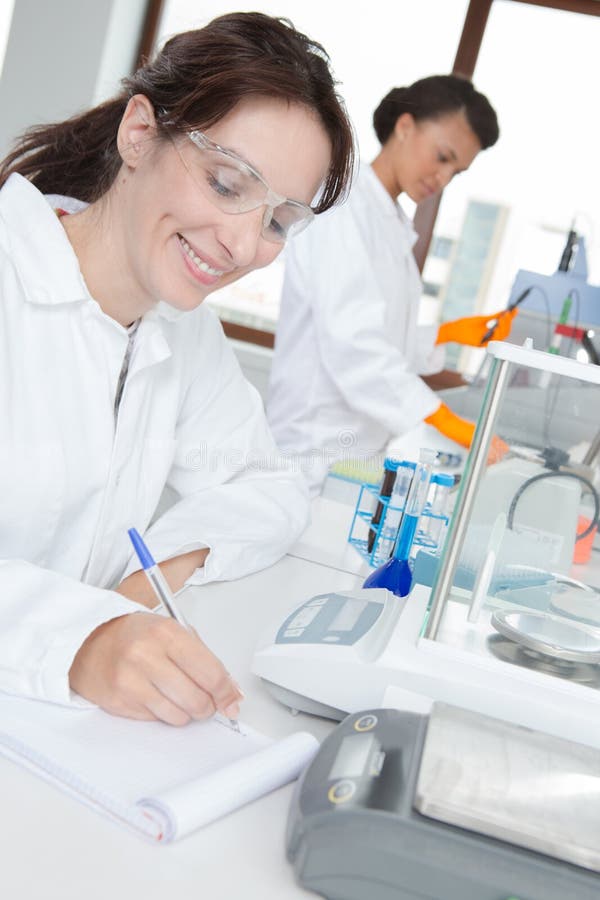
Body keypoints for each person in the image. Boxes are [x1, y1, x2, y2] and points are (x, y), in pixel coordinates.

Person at [0, 13, 354, 725]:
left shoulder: (180, 331)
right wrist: (80, 640)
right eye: (227, 184)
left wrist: (156, 570)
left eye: (280, 221)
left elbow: (268, 486)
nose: (243, 244)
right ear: (139, 134)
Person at [267, 75, 515, 495]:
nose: (443, 178)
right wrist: (442, 418)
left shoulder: (390, 223)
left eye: (456, 171)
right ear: (405, 126)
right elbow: (354, 345)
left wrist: (447, 335)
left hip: (350, 463)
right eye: (443, 156)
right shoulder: (342, 205)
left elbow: (384, 341)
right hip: (307, 458)